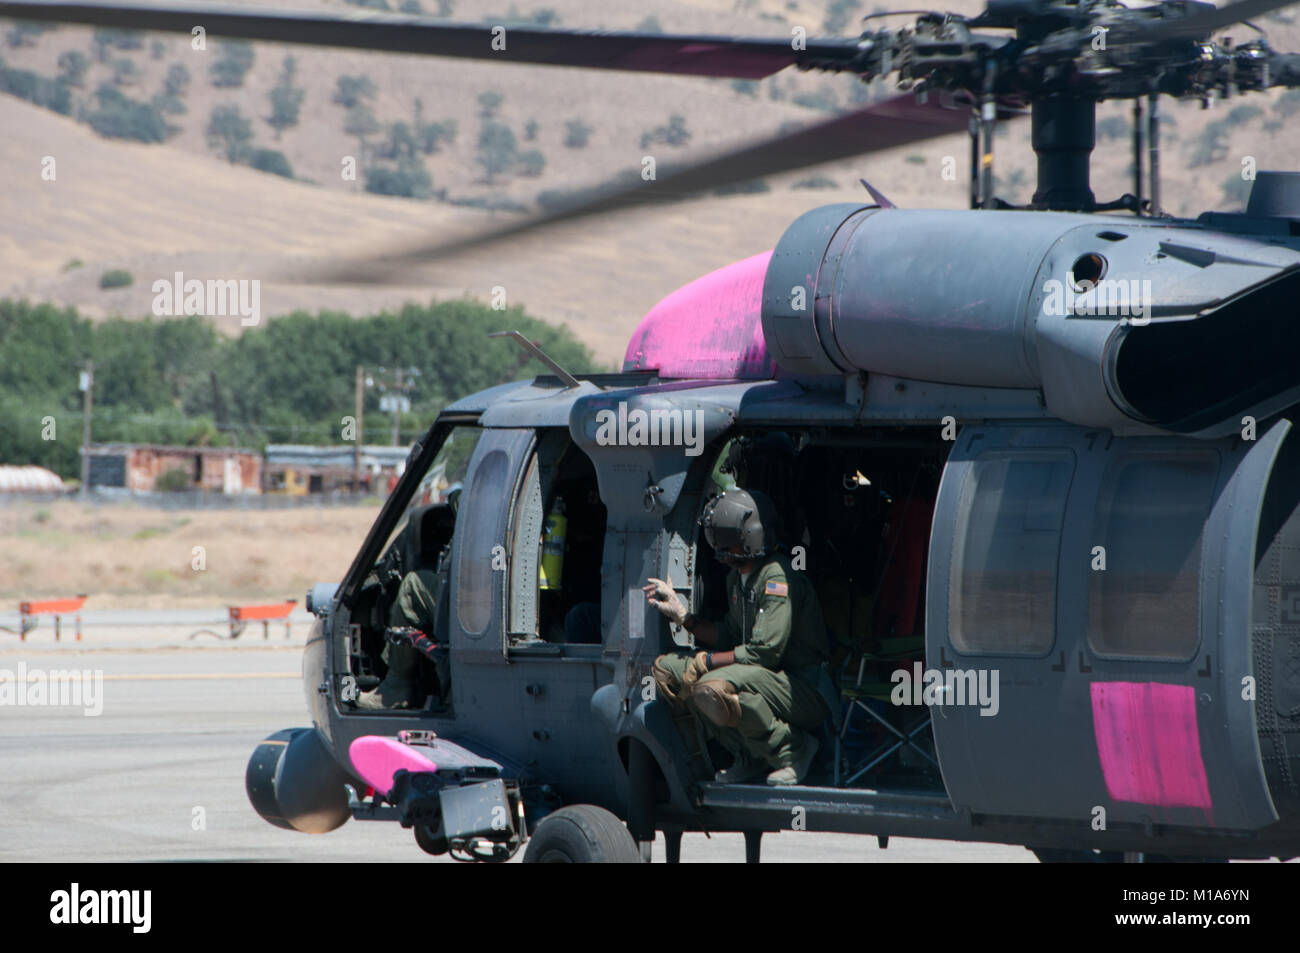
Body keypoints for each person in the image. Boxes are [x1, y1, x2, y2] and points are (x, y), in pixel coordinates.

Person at [644, 488, 835, 786]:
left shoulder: (776, 577)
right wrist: (685, 618)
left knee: (712, 687)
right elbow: (731, 635)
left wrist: (706, 661)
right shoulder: (738, 578)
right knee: (668, 671)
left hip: (804, 689)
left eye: (724, 539)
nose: (718, 545)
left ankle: (793, 748)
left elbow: (764, 652)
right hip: (766, 678)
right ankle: (748, 755)